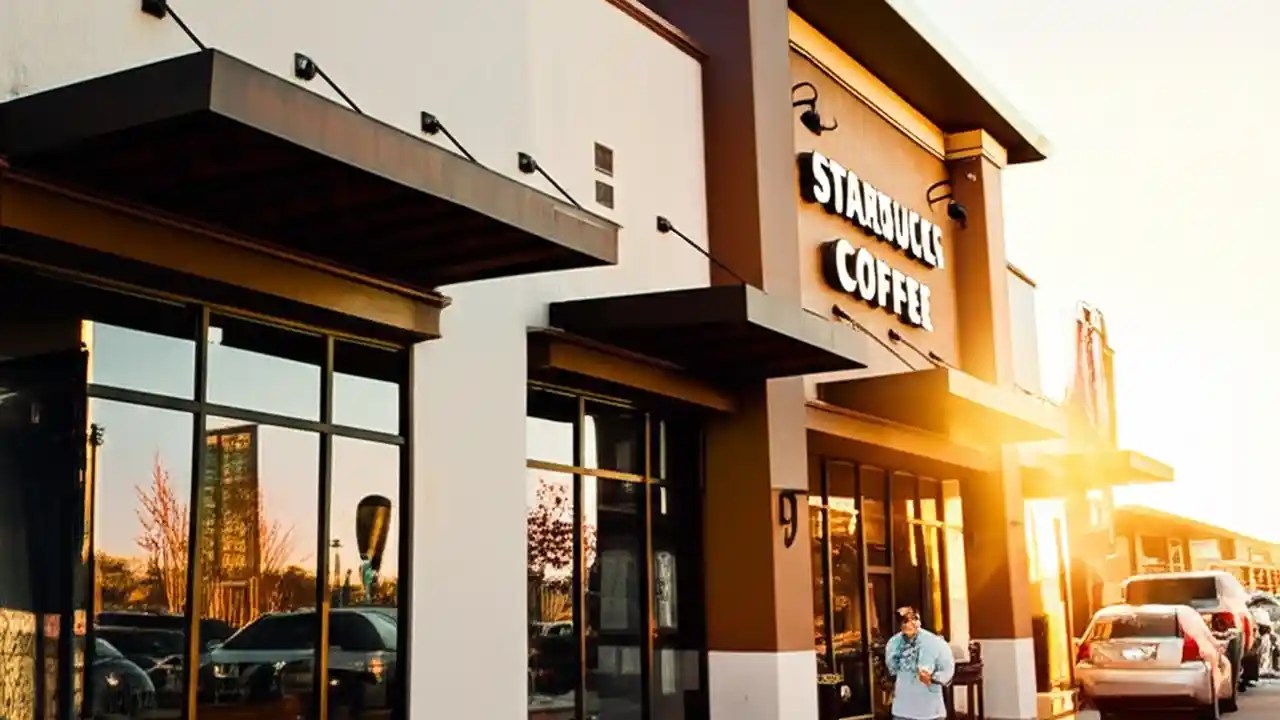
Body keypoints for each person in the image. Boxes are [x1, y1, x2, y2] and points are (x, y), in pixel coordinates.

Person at [885, 606, 955, 720]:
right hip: (902, 709)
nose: (911, 623)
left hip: (930, 711)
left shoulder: (934, 642)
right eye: (905, 621)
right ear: (899, 624)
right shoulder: (893, 643)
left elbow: (948, 668)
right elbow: (892, 669)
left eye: (914, 618)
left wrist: (933, 678)